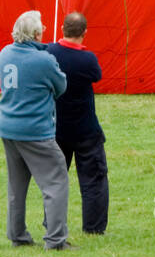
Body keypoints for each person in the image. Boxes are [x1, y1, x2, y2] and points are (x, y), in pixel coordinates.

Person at [0, 10, 73, 250]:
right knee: (56, 182)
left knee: (16, 186)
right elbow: (61, 86)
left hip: (9, 127)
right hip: (36, 130)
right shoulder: (44, 60)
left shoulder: (5, 53)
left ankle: (17, 235)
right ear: (37, 33)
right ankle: (56, 239)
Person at [46, 12, 109, 235]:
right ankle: (93, 228)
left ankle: (51, 223)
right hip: (85, 130)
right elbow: (96, 75)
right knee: (93, 180)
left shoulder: (49, 52)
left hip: (56, 128)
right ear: (84, 33)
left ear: (62, 29)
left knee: (54, 180)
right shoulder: (87, 59)